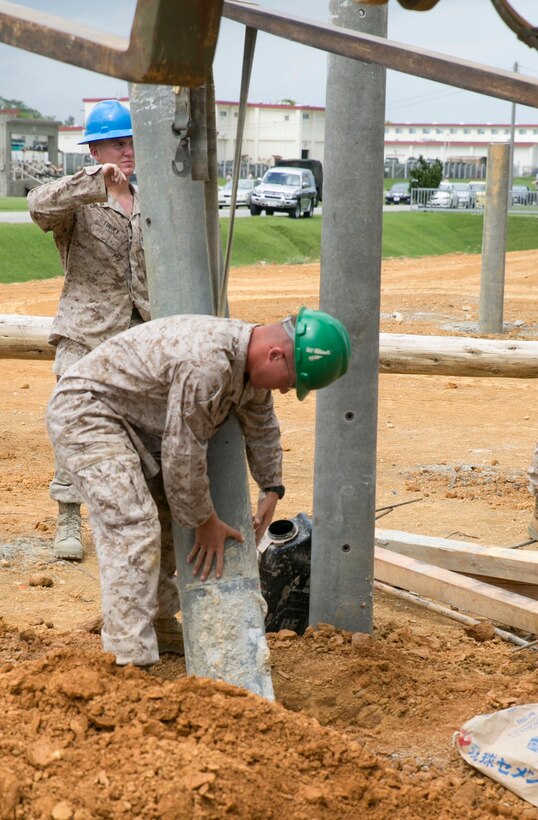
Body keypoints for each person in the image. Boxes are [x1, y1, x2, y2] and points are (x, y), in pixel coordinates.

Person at [46, 308, 351, 667]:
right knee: (133, 525)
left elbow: (262, 421)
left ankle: (158, 623)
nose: (286, 389)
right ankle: (128, 661)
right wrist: (204, 520)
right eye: (291, 380)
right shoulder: (207, 365)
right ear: (275, 354)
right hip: (86, 413)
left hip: (135, 421)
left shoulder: (249, 363)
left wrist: (272, 487)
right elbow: (183, 453)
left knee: (165, 522)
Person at [28, 100, 149, 562]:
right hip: (85, 332)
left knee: (140, 432)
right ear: (95, 150)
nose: (128, 151)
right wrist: (92, 183)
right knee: (74, 427)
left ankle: (129, 519)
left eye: (131, 142)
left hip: (137, 335)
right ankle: (67, 517)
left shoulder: (146, 200)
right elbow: (38, 206)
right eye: (118, 144)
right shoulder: (78, 200)